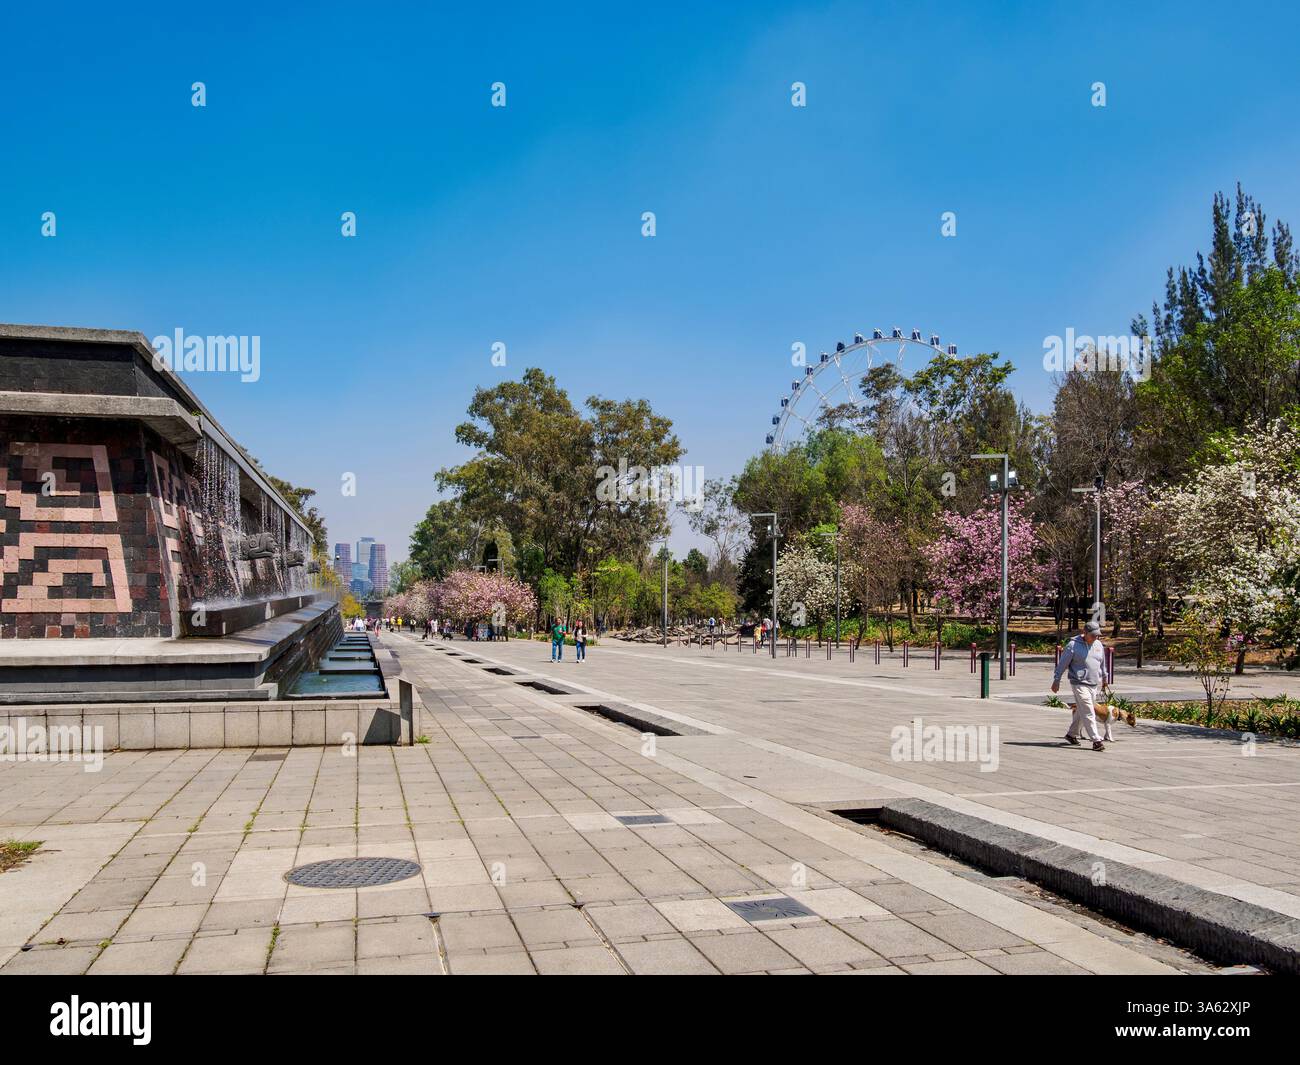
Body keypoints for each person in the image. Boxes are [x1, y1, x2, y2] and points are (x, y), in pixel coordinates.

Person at [1052, 620, 1107, 751]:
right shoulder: (1073, 645)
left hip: (1094, 683)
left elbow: (1102, 663)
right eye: (1093, 635)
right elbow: (1062, 664)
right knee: (1088, 710)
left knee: (1083, 711)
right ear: (1085, 633)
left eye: (1097, 635)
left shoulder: (1098, 644)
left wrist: (1105, 677)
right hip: (1079, 683)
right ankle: (1096, 740)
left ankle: (1071, 734)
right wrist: (1056, 679)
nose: (1095, 638)